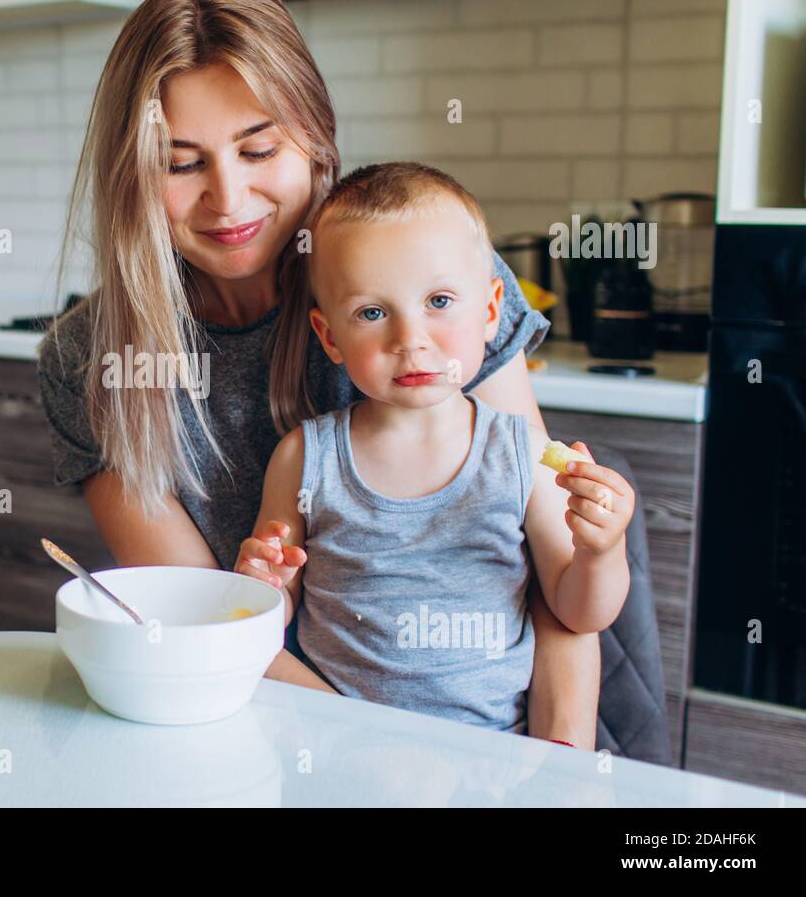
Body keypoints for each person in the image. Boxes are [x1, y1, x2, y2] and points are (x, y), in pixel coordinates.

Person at [38, 0, 602, 748]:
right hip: (289, 741)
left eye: (258, 148)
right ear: (135, 173)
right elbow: (219, 631)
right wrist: (397, 763)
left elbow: (549, 580)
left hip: (511, 736)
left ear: (313, 135)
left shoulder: (429, 276)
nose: (228, 199)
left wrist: (558, 774)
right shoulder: (88, 361)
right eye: (182, 162)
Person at [233, 162, 634, 733]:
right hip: (340, 760)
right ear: (330, 337)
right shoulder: (304, 460)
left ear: (492, 310)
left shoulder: (524, 454)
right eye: (372, 313)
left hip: (492, 768)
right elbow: (270, 618)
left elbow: (578, 613)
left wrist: (600, 552)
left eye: (439, 301)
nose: (410, 340)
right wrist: (259, 589)